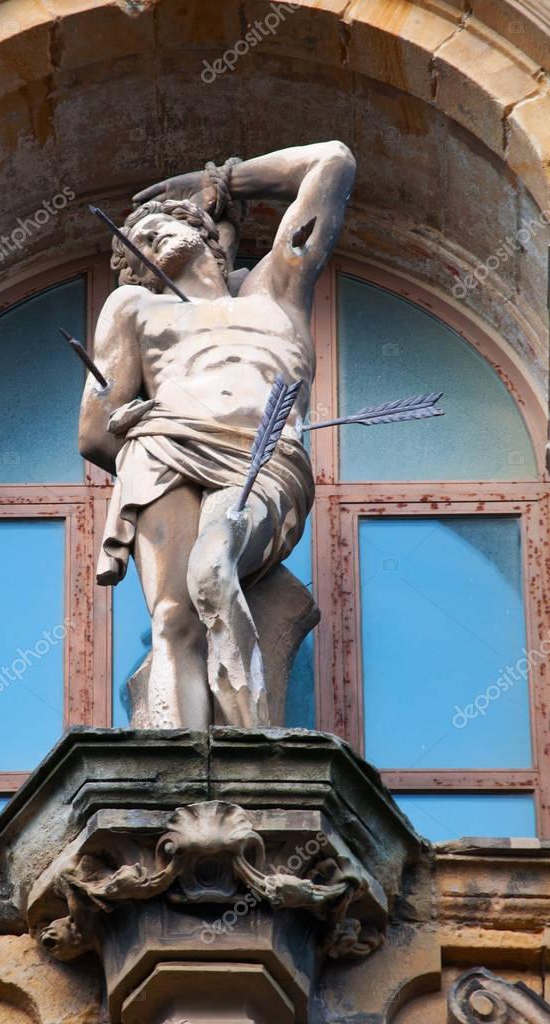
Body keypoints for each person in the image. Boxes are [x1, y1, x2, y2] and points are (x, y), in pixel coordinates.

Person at [78, 142, 356, 728]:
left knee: (212, 566)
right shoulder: (134, 307)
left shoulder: (277, 289)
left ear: (204, 232)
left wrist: (221, 179)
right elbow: (94, 429)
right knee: (174, 617)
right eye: (136, 246)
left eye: (154, 227)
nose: (145, 241)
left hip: (259, 459)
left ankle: (251, 745)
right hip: (163, 452)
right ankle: (181, 763)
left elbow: (333, 162)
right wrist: (135, 425)